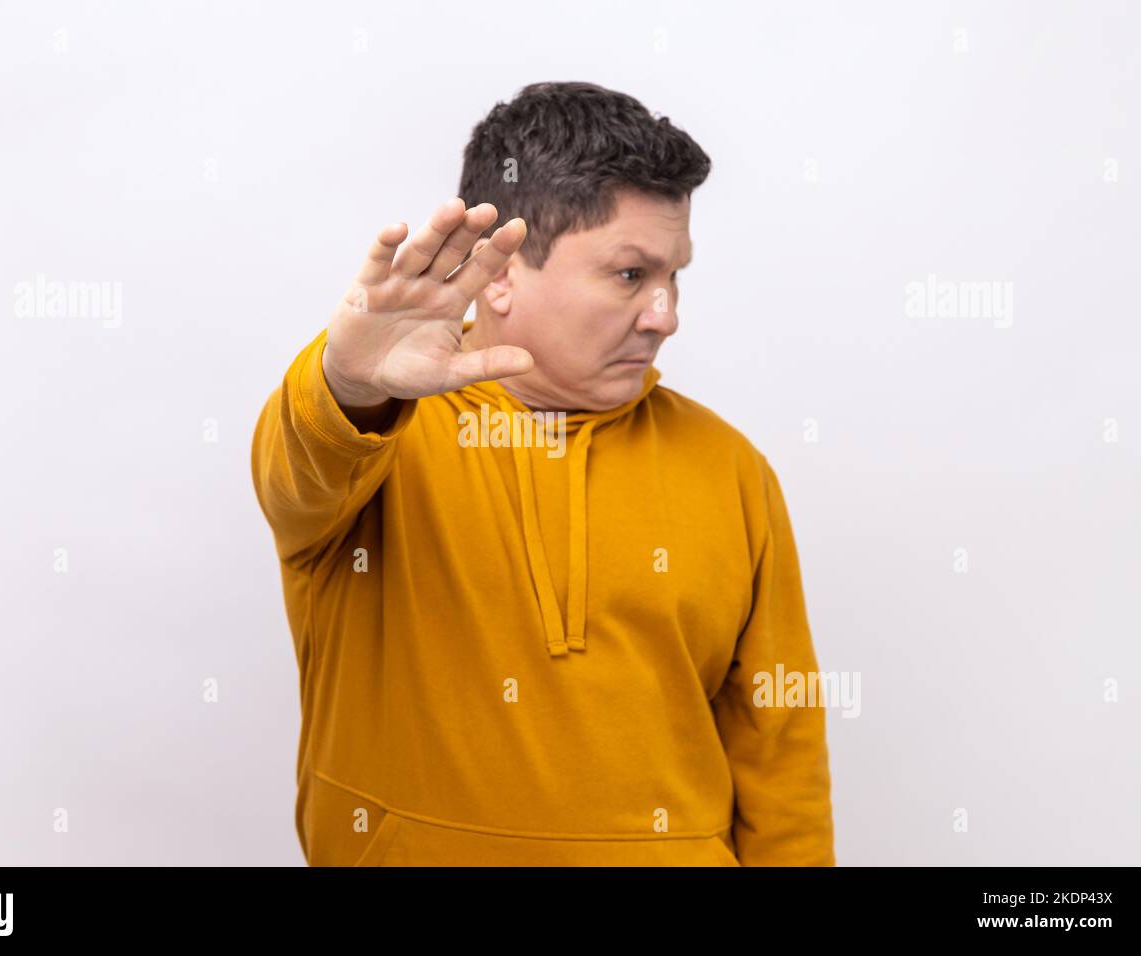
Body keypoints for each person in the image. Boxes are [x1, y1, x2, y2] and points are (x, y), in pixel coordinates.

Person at [251, 81, 836, 866]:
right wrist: (350, 386)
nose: (666, 314)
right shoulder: (366, 440)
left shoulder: (731, 469)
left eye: (675, 276)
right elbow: (297, 472)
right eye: (631, 275)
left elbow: (782, 755)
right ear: (499, 272)